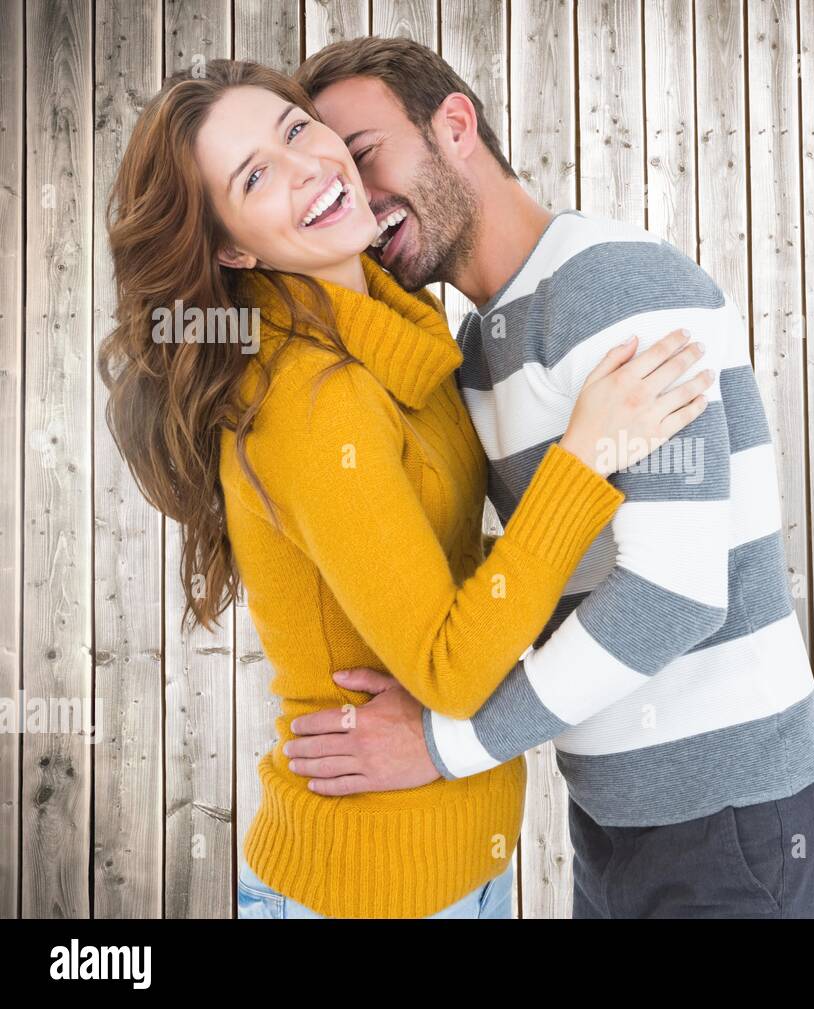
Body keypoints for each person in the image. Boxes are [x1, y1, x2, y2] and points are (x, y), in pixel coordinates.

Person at [97, 58, 715, 918]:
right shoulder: (315, 398)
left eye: (295, 129)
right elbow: (450, 670)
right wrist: (583, 457)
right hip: (366, 886)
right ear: (233, 245)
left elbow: (450, 571)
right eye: (255, 176)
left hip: (457, 867)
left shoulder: (395, 340)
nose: (308, 165)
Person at [285, 36, 814, 918]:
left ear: (454, 124)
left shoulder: (610, 287)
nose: (359, 202)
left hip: (741, 824)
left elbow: (677, 594)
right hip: (615, 824)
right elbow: (537, 564)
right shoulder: (478, 355)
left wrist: (443, 743)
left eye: (364, 156)